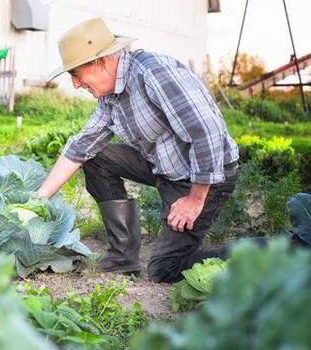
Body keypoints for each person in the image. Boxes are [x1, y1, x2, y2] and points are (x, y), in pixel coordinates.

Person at [36, 18, 239, 283]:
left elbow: (207, 133)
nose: (75, 84)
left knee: (165, 270)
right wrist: (38, 200)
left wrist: (195, 199)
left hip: (205, 177)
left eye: (76, 73)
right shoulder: (111, 95)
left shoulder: (154, 74)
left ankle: (262, 253)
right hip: (165, 168)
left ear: (102, 61)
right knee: (97, 157)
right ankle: (123, 258)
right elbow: (81, 146)